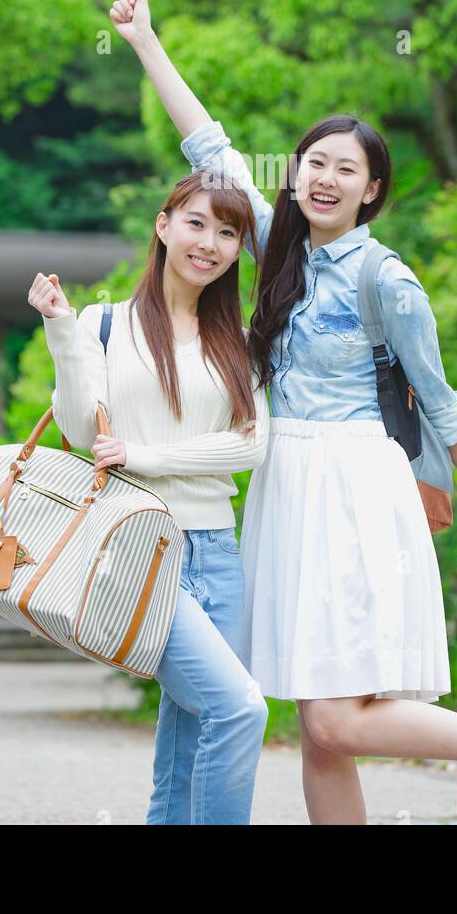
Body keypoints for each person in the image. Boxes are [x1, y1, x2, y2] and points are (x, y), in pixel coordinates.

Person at [108, 0, 457, 827]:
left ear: (372, 191)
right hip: (286, 486)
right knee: (319, 729)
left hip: (353, 489)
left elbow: (440, 399)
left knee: (336, 715)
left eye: (347, 170)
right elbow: (206, 145)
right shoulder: (274, 244)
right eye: (315, 164)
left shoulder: (387, 278)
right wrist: (147, 40)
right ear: (295, 176)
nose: (325, 178)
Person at [28, 166, 271, 825]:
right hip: (140, 549)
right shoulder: (104, 325)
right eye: (196, 223)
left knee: (193, 727)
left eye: (228, 232)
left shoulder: (239, 344)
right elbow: (82, 431)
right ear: (163, 226)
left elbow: (251, 445)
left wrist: (147, 456)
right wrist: (60, 330)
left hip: (217, 553)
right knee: (239, 706)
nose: (209, 243)